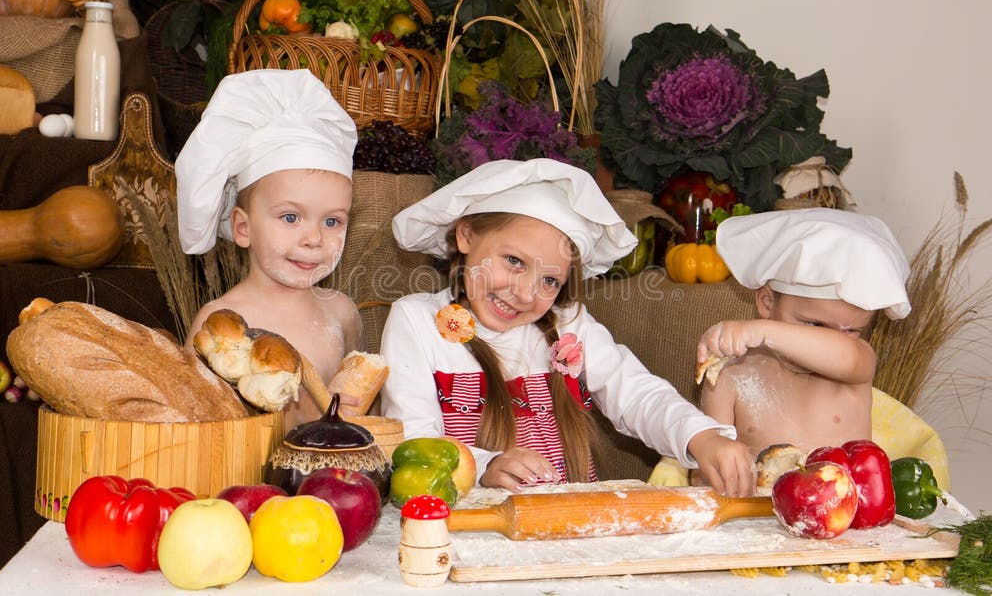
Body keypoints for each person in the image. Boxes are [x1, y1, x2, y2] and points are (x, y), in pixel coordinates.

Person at [380, 158, 754, 496]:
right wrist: (485, 465)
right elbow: (413, 439)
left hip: (565, 528)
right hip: (467, 529)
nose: (525, 293)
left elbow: (638, 394)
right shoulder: (416, 321)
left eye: (549, 281)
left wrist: (701, 436)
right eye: (514, 260)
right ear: (466, 236)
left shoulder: (569, 325)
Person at [175, 69, 362, 431]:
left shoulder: (342, 313)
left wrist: (354, 413)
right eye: (291, 217)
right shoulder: (219, 324)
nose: (314, 238)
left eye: (332, 221)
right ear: (243, 227)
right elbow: (193, 424)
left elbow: (368, 416)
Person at [698, 208, 911, 459]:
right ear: (767, 302)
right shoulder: (729, 374)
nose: (833, 339)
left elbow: (847, 355)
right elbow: (707, 462)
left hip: (845, 497)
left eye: (852, 330)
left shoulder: (856, 367)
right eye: (815, 325)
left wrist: (762, 331)